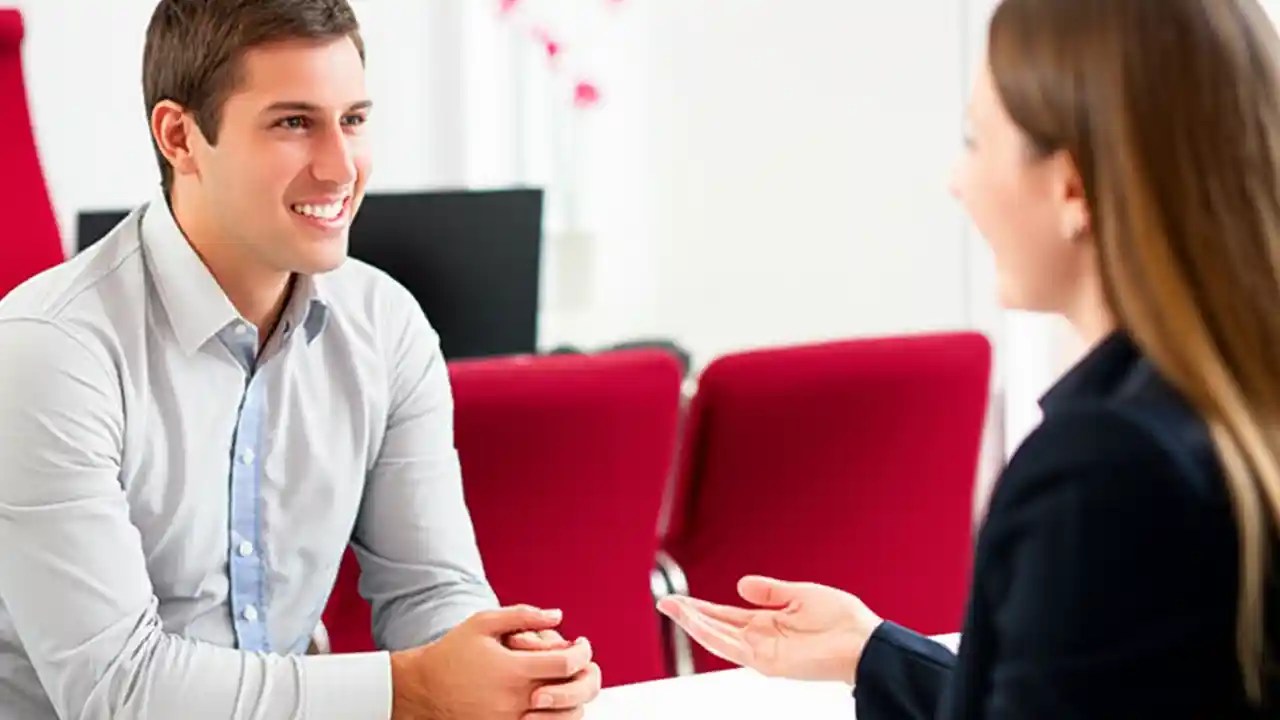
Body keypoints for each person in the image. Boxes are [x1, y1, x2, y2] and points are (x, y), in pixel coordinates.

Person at [658, 0, 1280, 716]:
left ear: (1072, 186)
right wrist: (868, 650)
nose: (959, 180)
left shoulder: (1106, 470)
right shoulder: (1224, 417)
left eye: (976, 141)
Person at [0, 1, 600, 718]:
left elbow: (431, 592)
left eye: (352, 120)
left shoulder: (387, 327)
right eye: (293, 123)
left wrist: (505, 669)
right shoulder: (48, 351)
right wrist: (413, 689)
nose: (340, 168)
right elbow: (120, 691)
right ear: (180, 136)